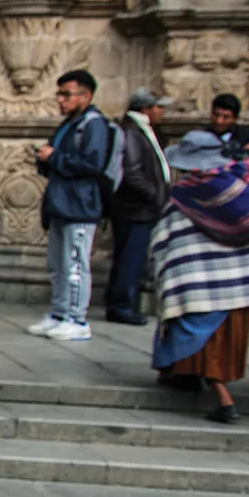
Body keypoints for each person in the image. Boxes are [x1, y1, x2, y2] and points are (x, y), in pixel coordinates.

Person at [150, 129, 249, 424]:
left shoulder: (187, 194)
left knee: (205, 343)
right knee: (225, 344)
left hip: (201, 285)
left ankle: (224, 401)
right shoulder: (243, 186)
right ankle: (181, 375)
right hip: (241, 284)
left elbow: (168, 235)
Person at [28, 68, 110, 341]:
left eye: (67, 94)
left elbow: (93, 164)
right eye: (59, 94)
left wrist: (56, 158)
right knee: (58, 263)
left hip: (80, 205)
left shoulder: (93, 124)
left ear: (85, 96)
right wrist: (45, 158)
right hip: (61, 202)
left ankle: (77, 319)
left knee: (75, 264)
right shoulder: (69, 124)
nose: (61, 100)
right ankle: (60, 312)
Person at [106, 89, 172, 325]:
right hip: (135, 208)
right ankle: (122, 304)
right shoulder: (133, 132)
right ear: (146, 108)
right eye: (159, 107)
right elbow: (132, 173)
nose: (162, 112)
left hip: (138, 208)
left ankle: (122, 302)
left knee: (130, 256)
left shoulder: (142, 131)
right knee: (130, 258)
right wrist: (155, 196)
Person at [211, 92, 249, 161]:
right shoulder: (202, 136)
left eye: (226, 117)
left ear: (235, 118)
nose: (219, 121)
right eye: (216, 115)